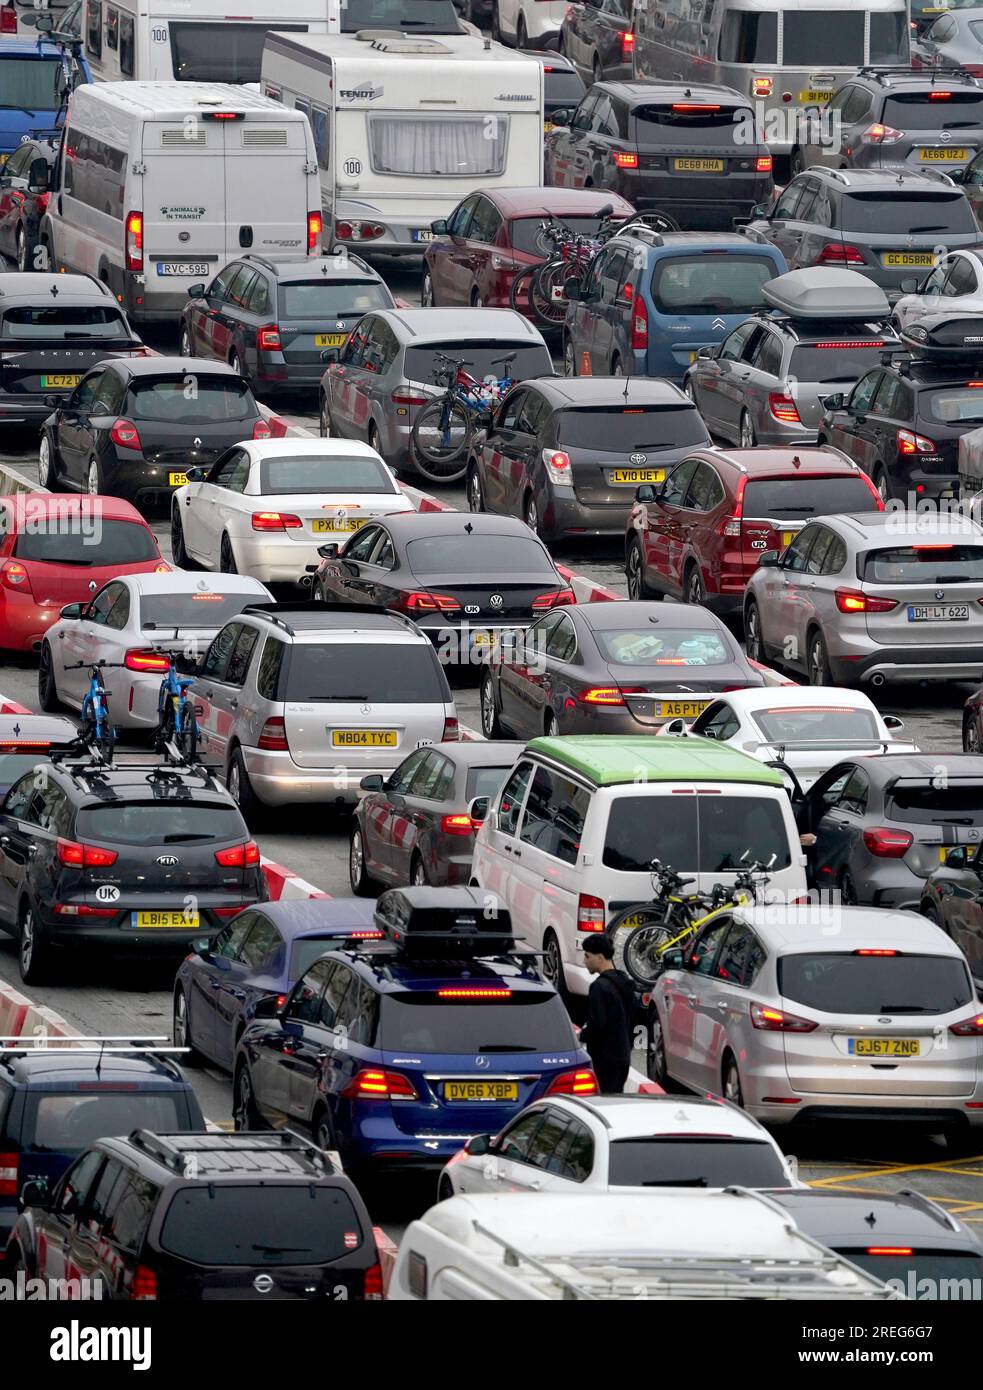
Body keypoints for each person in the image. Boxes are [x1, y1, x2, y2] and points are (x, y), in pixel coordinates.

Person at [580, 934, 635, 1095]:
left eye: (587, 956)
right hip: (622, 1057)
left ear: (600, 957)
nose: (584, 961)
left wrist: (581, 1036)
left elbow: (597, 1024)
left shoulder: (599, 987)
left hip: (604, 1061)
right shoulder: (626, 983)